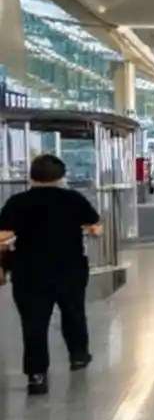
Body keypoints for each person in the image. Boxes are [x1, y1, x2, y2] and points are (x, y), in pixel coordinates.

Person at [0, 154, 101, 395]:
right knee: (73, 312)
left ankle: (36, 376)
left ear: (30, 176)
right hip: (70, 269)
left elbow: (2, 236)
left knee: (34, 323)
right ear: (62, 177)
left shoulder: (17, 202)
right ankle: (78, 355)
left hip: (29, 272)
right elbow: (95, 228)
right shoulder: (74, 200)